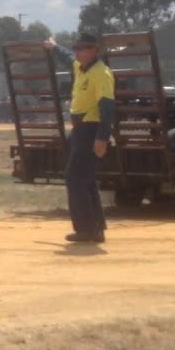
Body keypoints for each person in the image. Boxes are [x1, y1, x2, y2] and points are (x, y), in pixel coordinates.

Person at [43, 32, 114, 244]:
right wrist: (54, 46)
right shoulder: (80, 67)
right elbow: (66, 57)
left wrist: (102, 138)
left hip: (91, 129)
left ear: (95, 50)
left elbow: (107, 108)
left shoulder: (101, 73)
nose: (78, 52)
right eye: (77, 48)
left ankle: (85, 229)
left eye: (83, 48)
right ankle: (95, 228)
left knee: (74, 177)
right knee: (86, 179)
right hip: (81, 129)